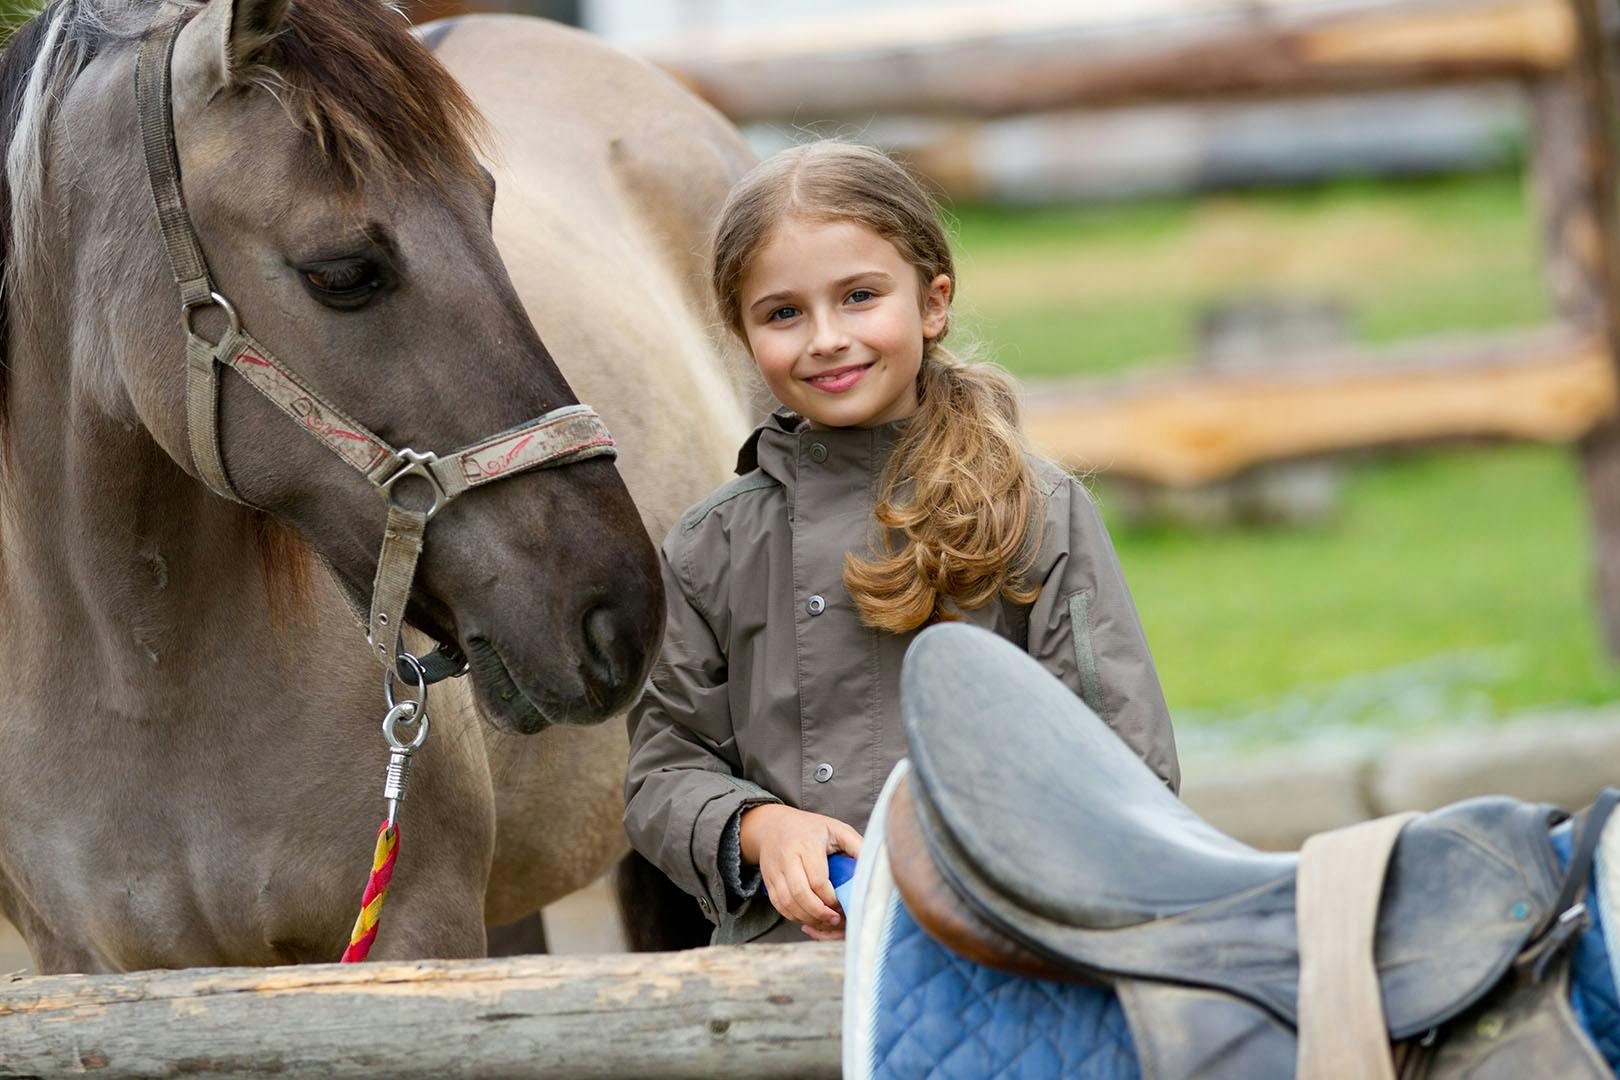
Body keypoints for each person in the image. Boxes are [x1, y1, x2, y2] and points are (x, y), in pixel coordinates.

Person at [624, 141, 1179, 945]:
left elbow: (1127, 757)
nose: (825, 338)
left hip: (1002, 949)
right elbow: (663, 772)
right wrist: (760, 828)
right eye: (783, 313)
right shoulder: (714, 542)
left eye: (858, 296)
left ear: (932, 301)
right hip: (780, 969)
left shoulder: (1034, 508)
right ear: (745, 337)